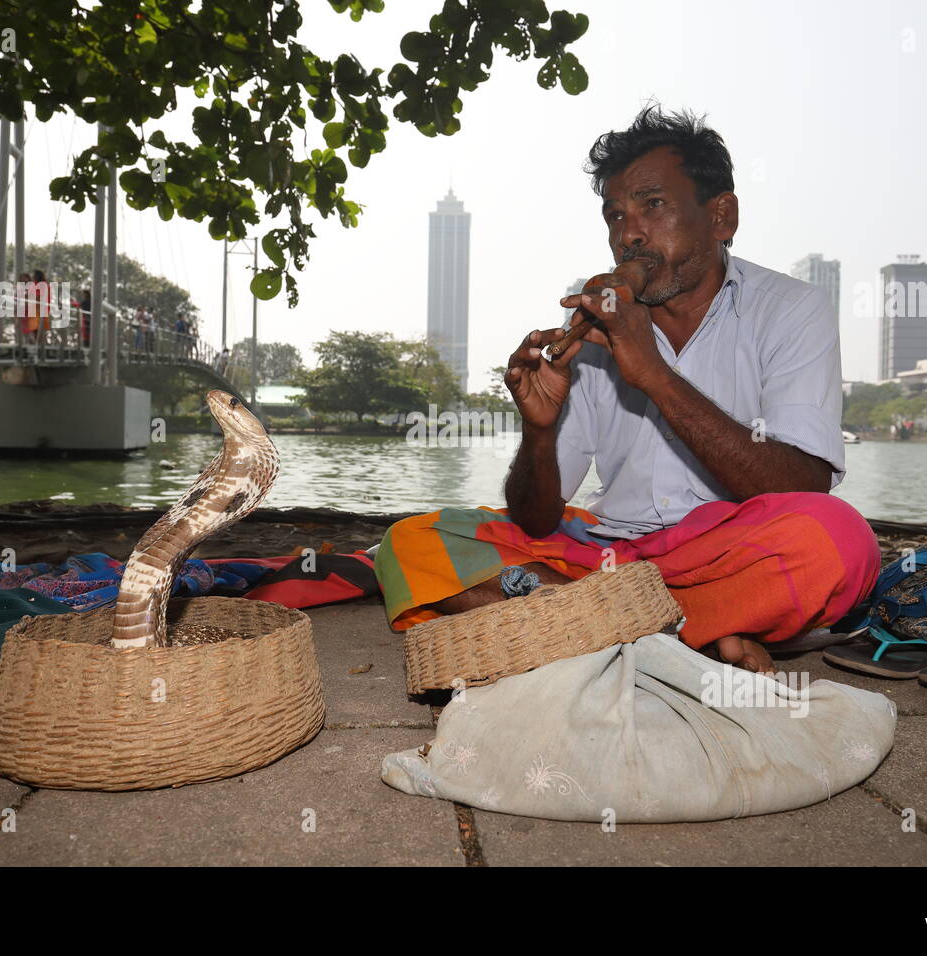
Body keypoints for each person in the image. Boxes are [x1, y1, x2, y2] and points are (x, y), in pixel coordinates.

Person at [373, 106, 881, 674]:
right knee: (411, 543)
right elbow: (537, 520)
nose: (628, 234)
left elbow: (804, 486)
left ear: (721, 216)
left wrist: (655, 376)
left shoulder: (791, 308)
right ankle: (683, 638)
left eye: (653, 206)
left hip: (723, 554)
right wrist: (539, 433)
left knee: (840, 543)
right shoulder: (595, 328)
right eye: (615, 216)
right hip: (605, 555)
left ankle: (587, 630)